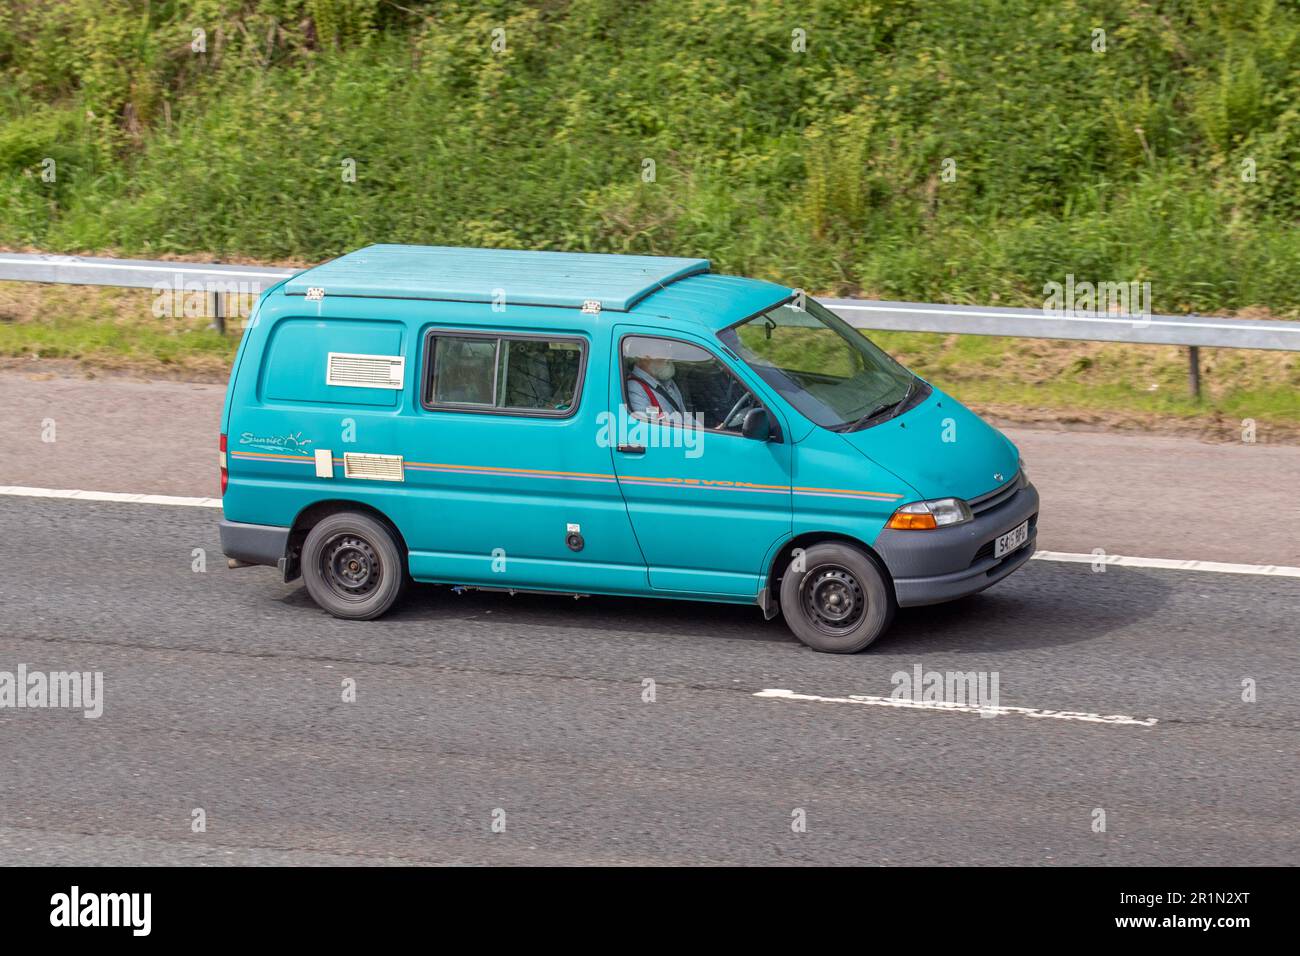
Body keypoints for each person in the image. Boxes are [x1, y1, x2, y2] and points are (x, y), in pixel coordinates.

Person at [626, 355, 688, 422]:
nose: (668, 356)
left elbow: (685, 416)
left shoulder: (669, 381)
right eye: (661, 351)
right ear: (644, 358)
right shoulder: (634, 388)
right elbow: (647, 427)